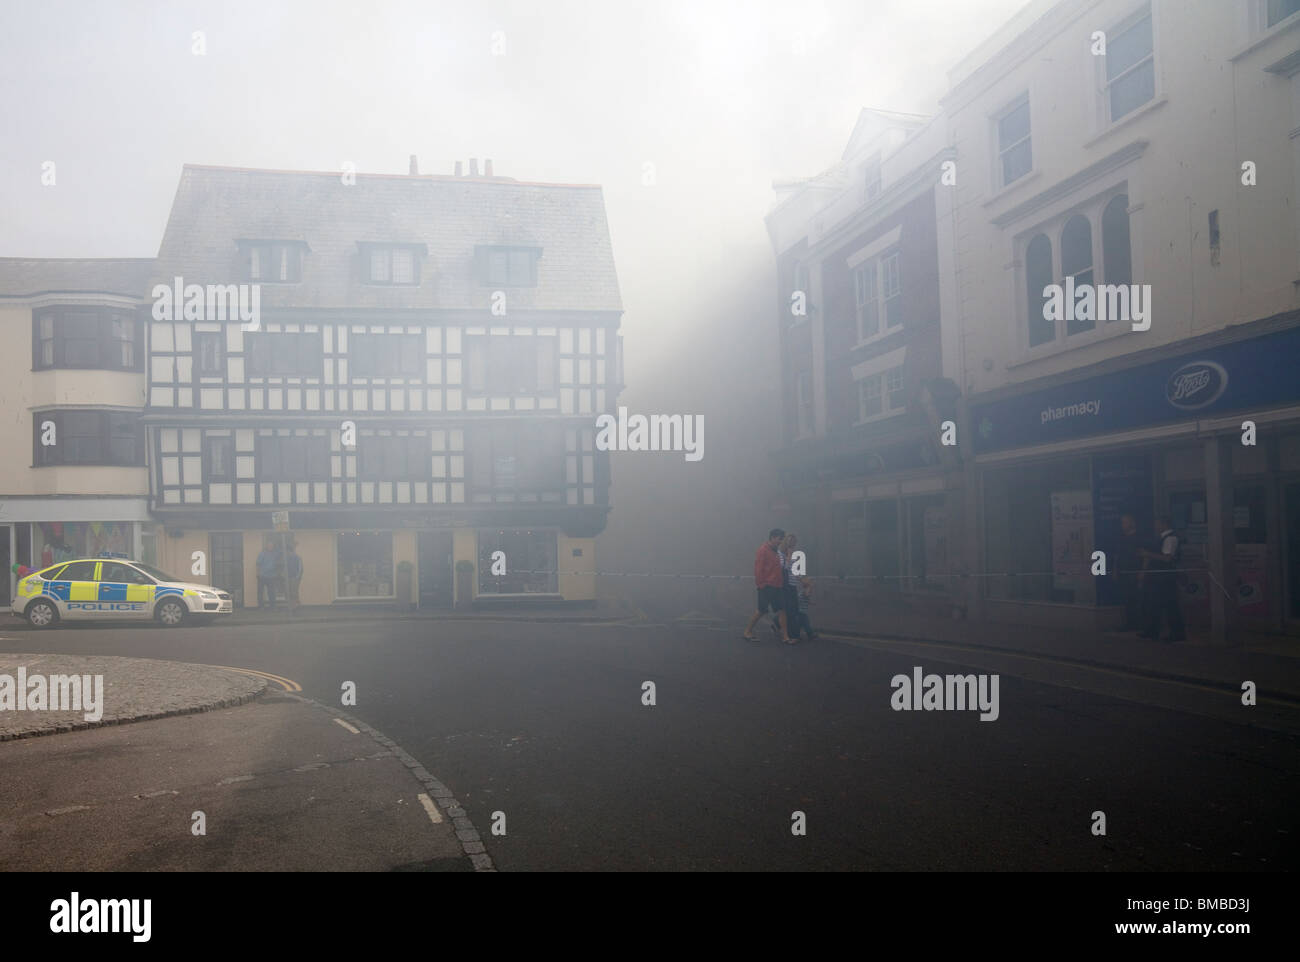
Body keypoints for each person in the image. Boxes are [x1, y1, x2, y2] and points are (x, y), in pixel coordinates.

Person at [1137, 516, 1185, 642]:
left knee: (1170, 604)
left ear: (1164, 524)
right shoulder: (1159, 538)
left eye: (1157, 523)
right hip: (1157, 576)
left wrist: (1147, 554)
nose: (1155, 526)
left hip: (1166, 577)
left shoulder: (1171, 538)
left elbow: (1167, 558)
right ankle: (1152, 631)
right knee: (1153, 603)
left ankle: (1177, 633)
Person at [744, 528, 794, 643]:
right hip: (766, 586)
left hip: (777, 585)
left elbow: (780, 568)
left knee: (782, 610)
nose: (780, 541)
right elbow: (758, 568)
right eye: (779, 539)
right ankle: (747, 631)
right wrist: (761, 584)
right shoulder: (763, 550)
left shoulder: (776, 551)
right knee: (761, 610)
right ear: (772, 537)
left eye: (781, 539)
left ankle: (785, 637)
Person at [1115, 514, 1144, 631]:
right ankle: (1129, 623)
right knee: (1126, 599)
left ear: (1132, 523)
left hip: (1135, 571)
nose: (1123, 525)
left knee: (1136, 598)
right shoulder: (1121, 538)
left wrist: (1142, 571)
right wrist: (1116, 570)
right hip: (1123, 572)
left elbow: (1144, 555)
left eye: (1125, 522)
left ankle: (1139, 623)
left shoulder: (1139, 538)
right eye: (1122, 522)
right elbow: (1117, 555)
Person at [772, 533, 801, 643]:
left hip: (792, 585)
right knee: (790, 610)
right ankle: (793, 635)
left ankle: (776, 623)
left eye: (793, 542)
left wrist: (802, 580)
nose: (792, 544)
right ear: (785, 542)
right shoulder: (779, 554)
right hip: (784, 585)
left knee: (793, 610)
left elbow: (794, 570)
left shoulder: (794, 554)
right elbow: (783, 568)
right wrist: (789, 556)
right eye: (789, 542)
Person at [256, 538, 281, 608]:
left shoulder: (275, 553)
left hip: (271, 576)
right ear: (266, 546)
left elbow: (282, 550)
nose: (270, 547)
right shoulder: (262, 553)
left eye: (272, 545)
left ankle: (272, 606)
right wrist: (257, 574)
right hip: (262, 576)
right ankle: (261, 606)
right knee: (260, 592)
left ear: (273, 546)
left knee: (271, 592)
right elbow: (258, 564)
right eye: (269, 545)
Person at [285, 541, 303, 612]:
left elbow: (300, 568)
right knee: (289, 592)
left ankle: (296, 606)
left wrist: (297, 577)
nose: (287, 553)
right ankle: (292, 606)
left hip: (295, 577)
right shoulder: (287, 558)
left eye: (287, 551)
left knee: (294, 592)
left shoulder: (297, 557)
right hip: (288, 577)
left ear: (290, 551)